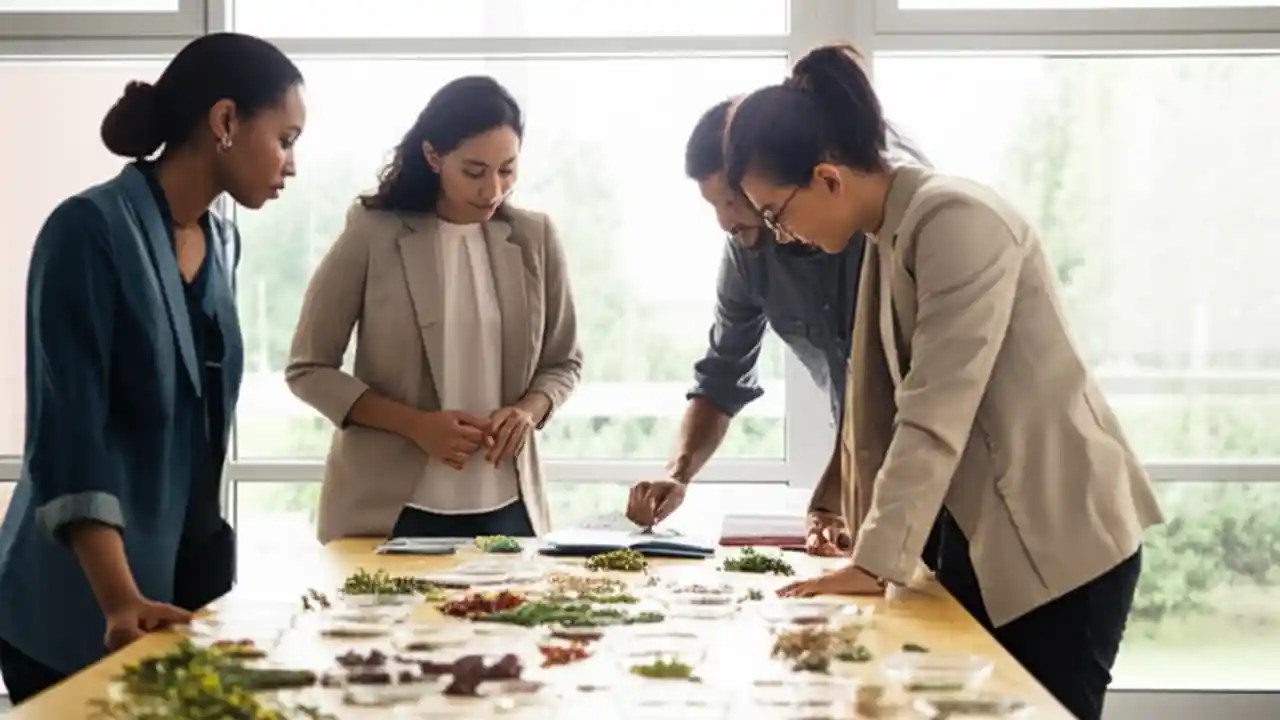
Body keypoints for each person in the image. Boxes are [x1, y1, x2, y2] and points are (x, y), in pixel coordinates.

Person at [723, 43, 1163, 720]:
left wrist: (875, 563)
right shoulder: (887, 231)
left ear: (828, 179)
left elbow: (935, 411)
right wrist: (851, 531)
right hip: (984, 530)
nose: (781, 236)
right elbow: (873, 409)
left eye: (777, 214)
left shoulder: (955, 219)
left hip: (1058, 532)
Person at [0, 33, 304, 704]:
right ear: (225, 122)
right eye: (285, 138)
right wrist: (119, 598)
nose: (292, 164)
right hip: (78, 601)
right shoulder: (85, 230)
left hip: (166, 593)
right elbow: (70, 431)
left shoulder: (223, 240)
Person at [624, 97, 929, 556]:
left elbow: (889, 389)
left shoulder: (874, 232)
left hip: (924, 470)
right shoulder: (746, 253)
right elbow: (723, 376)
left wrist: (831, 498)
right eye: (714, 206)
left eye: (733, 200)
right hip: (862, 478)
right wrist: (678, 472)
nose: (726, 222)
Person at [287, 76, 581, 544]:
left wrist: (528, 410)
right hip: (389, 510)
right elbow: (309, 368)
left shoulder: (536, 238)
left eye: (507, 169)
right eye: (474, 170)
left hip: (509, 509)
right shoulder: (373, 233)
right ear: (433, 156)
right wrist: (417, 426)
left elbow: (563, 362)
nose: (493, 189)